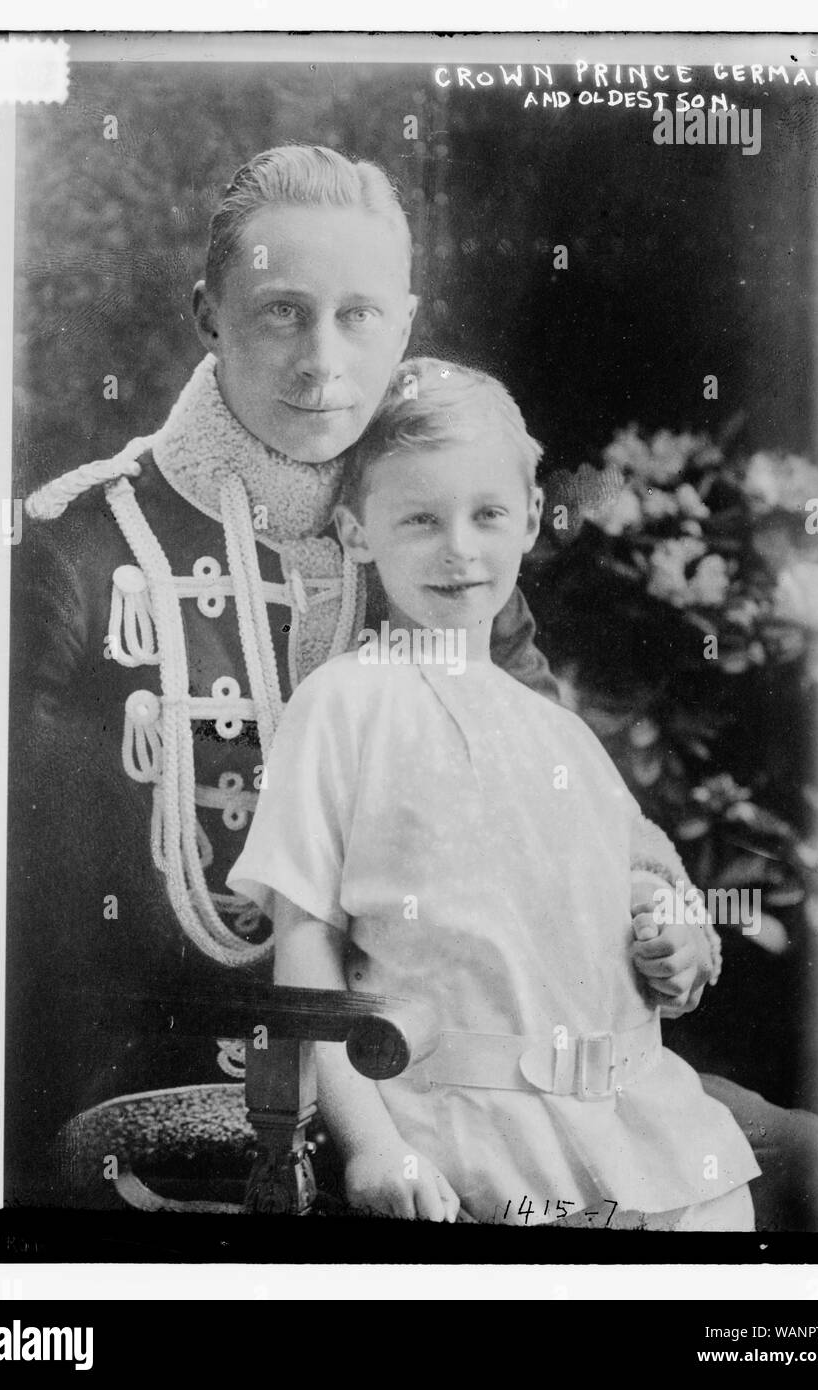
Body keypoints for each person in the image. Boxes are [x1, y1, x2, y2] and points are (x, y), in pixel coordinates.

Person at [10, 144, 818, 1227]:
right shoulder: (72, 551)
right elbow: (16, 920)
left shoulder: (430, 536)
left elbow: (559, 807)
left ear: (405, 322)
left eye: (359, 316)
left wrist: (657, 904)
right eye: (280, 312)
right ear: (208, 315)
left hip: (448, 1059)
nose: (321, 364)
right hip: (172, 1067)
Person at [226, 357, 761, 1228]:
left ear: (529, 526)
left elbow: (630, 884)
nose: (460, 549)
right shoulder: (345, 707)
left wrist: (679, 939)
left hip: (645, 1127)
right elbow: (307, 946)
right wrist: (371, 1145)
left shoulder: (561, 733)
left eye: (486, 516)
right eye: (420, 520)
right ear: (359, 533)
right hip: (468, 1137)